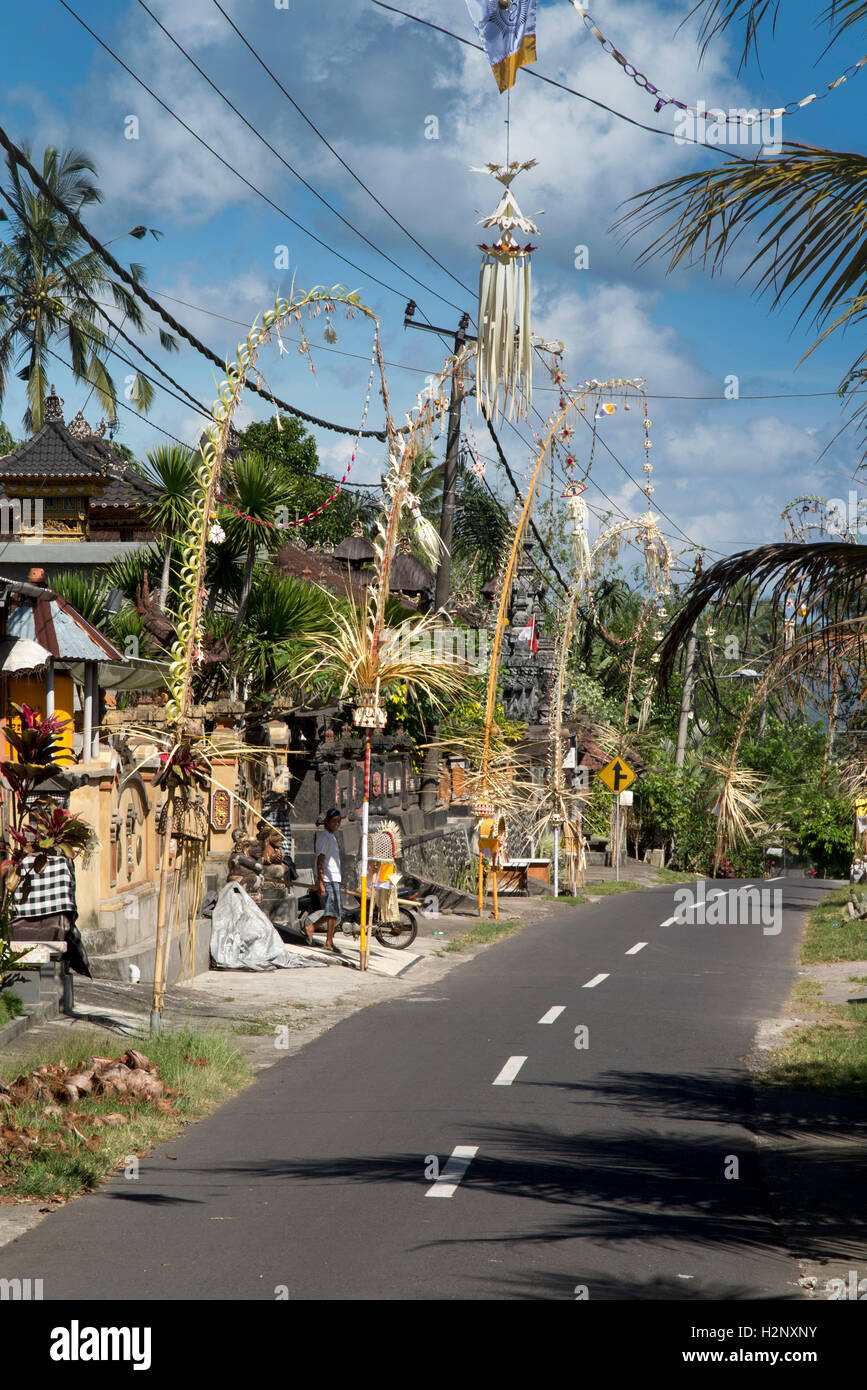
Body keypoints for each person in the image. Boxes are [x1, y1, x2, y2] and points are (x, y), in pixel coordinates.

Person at [314, 807, 343, 953]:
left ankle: (329, 940)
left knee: (334, 912)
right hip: (328, 878)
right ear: (327, 822)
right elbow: (320, 861)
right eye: (334, 821)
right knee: (332, 911)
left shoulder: (332, 836)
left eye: (339, 822)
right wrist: (320, 882)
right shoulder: (324, 837)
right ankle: (325, 939)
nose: (337, 824)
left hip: (335, 877)